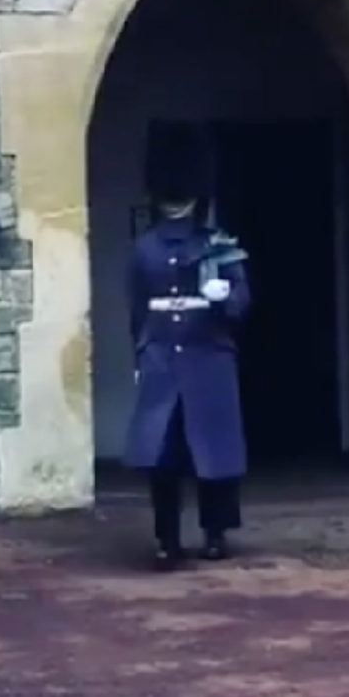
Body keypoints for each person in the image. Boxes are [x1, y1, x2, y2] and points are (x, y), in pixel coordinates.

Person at [125, 124, 252, 571]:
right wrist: (140, 356)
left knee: (213, 456)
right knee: (165, 458)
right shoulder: (145, 249)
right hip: (162, 360)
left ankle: (215, 533)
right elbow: (138, 311)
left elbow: (241, 306)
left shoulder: (218, 245)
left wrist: (224, 296)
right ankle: (167, 538)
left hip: (208, 358)